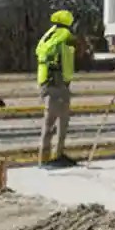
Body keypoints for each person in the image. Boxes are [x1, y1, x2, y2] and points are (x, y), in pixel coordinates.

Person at [36, 9, 77, 168]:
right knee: (58, 121)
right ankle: (53, 157)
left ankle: (46, 156)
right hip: (57, 83)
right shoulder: (65, 35)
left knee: (51, 122)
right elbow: (68, 59)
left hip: (45, 81)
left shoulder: (48, 34)